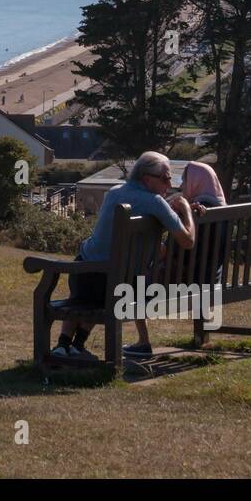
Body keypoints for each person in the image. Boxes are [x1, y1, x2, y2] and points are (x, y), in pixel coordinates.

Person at [52, 151, 197, 359]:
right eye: (166, 178)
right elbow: (188, 241)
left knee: (85, 286)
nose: (170, 184)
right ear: (147, 179)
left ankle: (64, 345)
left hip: (83, 278)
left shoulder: (114, 192)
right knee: (106, 285)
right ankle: (76, 345)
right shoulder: (156, 203)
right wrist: (186, 211)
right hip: (119, 287)